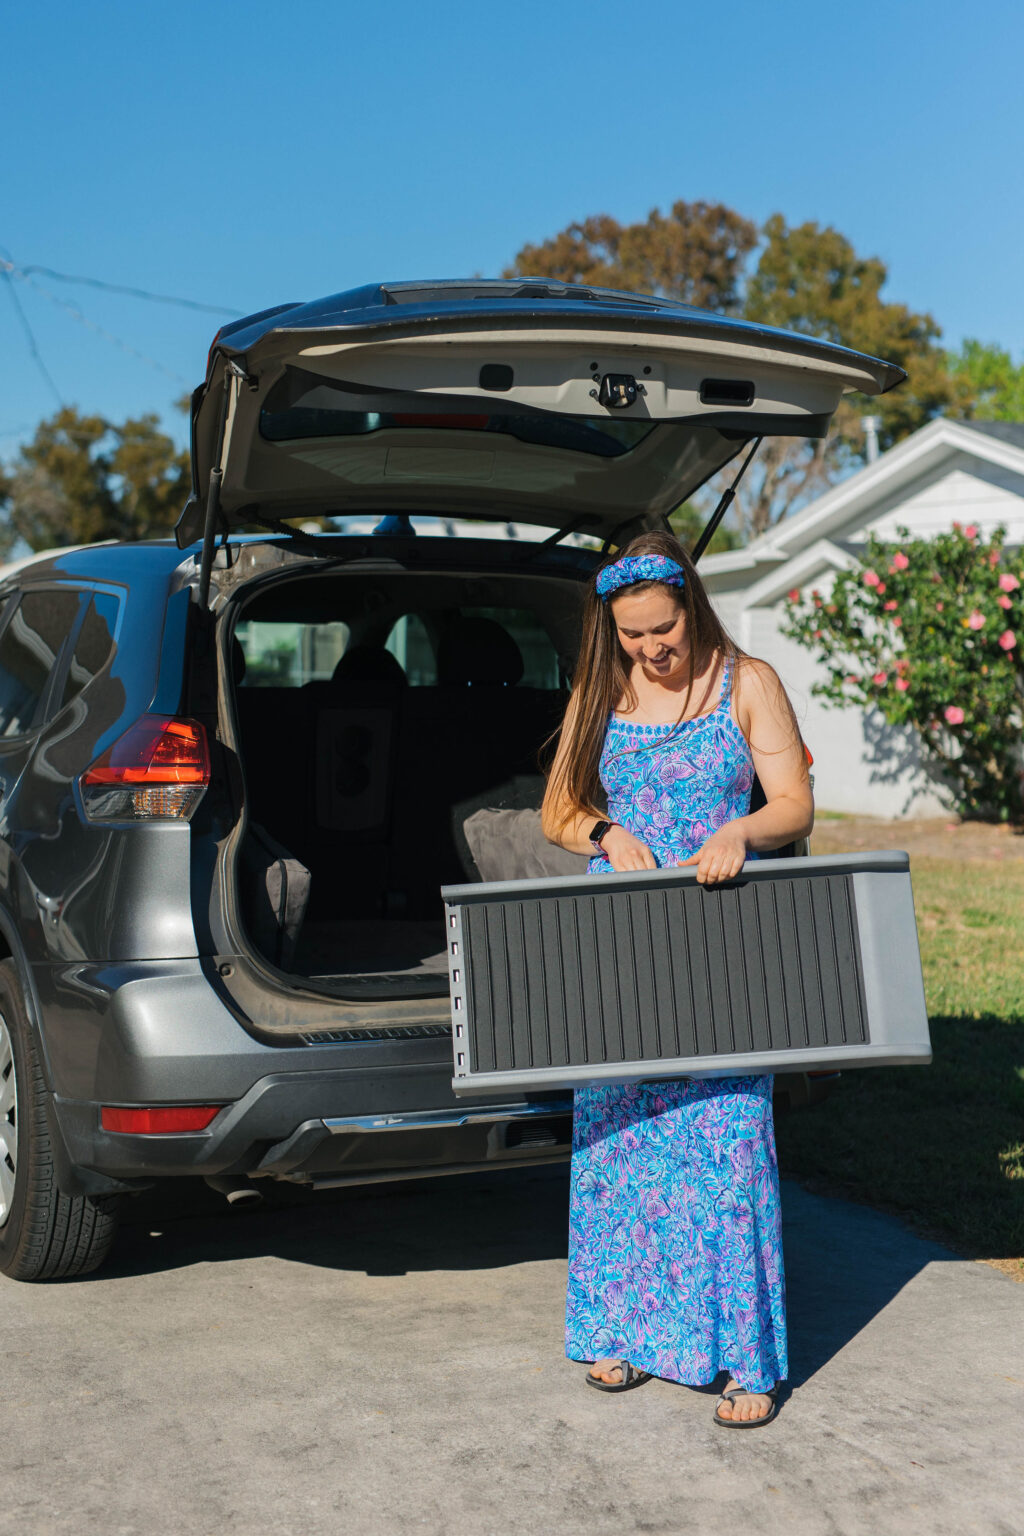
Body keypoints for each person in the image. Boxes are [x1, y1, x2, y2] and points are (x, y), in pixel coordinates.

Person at [540, 530, 814, 1427]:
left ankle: (743, 1361)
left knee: (728, 1148)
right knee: (623, 1143)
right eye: (632, 636)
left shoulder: (749, 683)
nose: (651, 650)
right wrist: (606, 835)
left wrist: (739, 832)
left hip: (724, 940)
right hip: (620, 946)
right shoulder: (602, 691)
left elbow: (794, 803)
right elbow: (557, 809)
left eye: (663, 630)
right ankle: (623, 1332)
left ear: (691, 606)